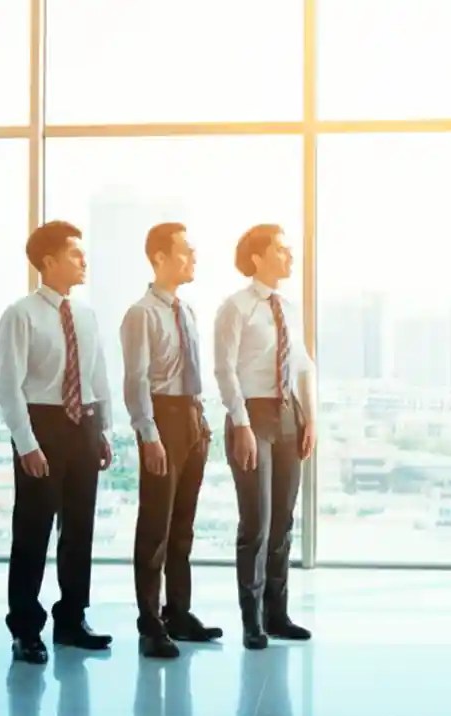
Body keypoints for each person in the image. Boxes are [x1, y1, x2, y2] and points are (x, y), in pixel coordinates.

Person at [0, 220, 114, 664]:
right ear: (49, 261)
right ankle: (26, 629)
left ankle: (72, 620)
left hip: (83, 425)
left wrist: (103, 430)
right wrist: (26, 443)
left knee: (79, 528)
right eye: (75, 254)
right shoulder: (21, 314)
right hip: (42, 425)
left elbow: (98, 375)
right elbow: (8, 384)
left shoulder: (86, 315)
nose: (84, 261)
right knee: (32, 532)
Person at [121, 222, 224, 659]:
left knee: (183, 526)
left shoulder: (187, 311)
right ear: (160, 257)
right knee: (156, 527)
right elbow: (136, 380)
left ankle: (178, 613)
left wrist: (200, 420)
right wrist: (149, 434)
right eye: (185, 251)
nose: (193, 258)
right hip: (162, 418)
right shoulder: (141, 313)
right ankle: (150, 625)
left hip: (193, 417)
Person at [214, 223, 316, 650]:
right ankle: (252, 619)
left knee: (283, 522)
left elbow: (304, 365)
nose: (289, 256)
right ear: (257, 258)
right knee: (256, 522)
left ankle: (277, 614)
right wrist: (241, 424)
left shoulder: (288, 308)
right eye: (281, 250)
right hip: (252, 416)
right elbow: (225, 370)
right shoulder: (236, 308)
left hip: (288, 414)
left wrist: (310, 419)